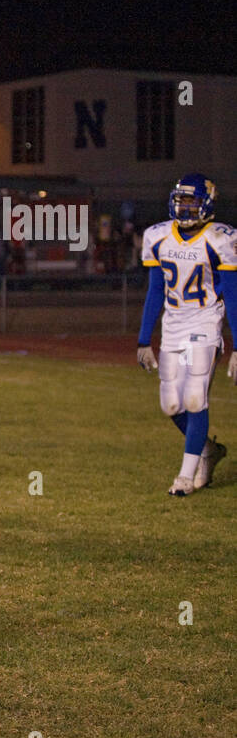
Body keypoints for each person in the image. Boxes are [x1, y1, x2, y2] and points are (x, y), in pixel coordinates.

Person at [136, 173, 237, 496]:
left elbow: (233, 295)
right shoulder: (158, 236)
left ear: (206, 204)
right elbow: (154, 291)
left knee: (195, 397)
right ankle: (208, 449)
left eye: (191, 201)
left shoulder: (221, 238)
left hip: (206, 322)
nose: (185, 207)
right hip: (173, 325)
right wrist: (143, 340)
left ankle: (184, 476)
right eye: (181, 200)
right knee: (171, 405)